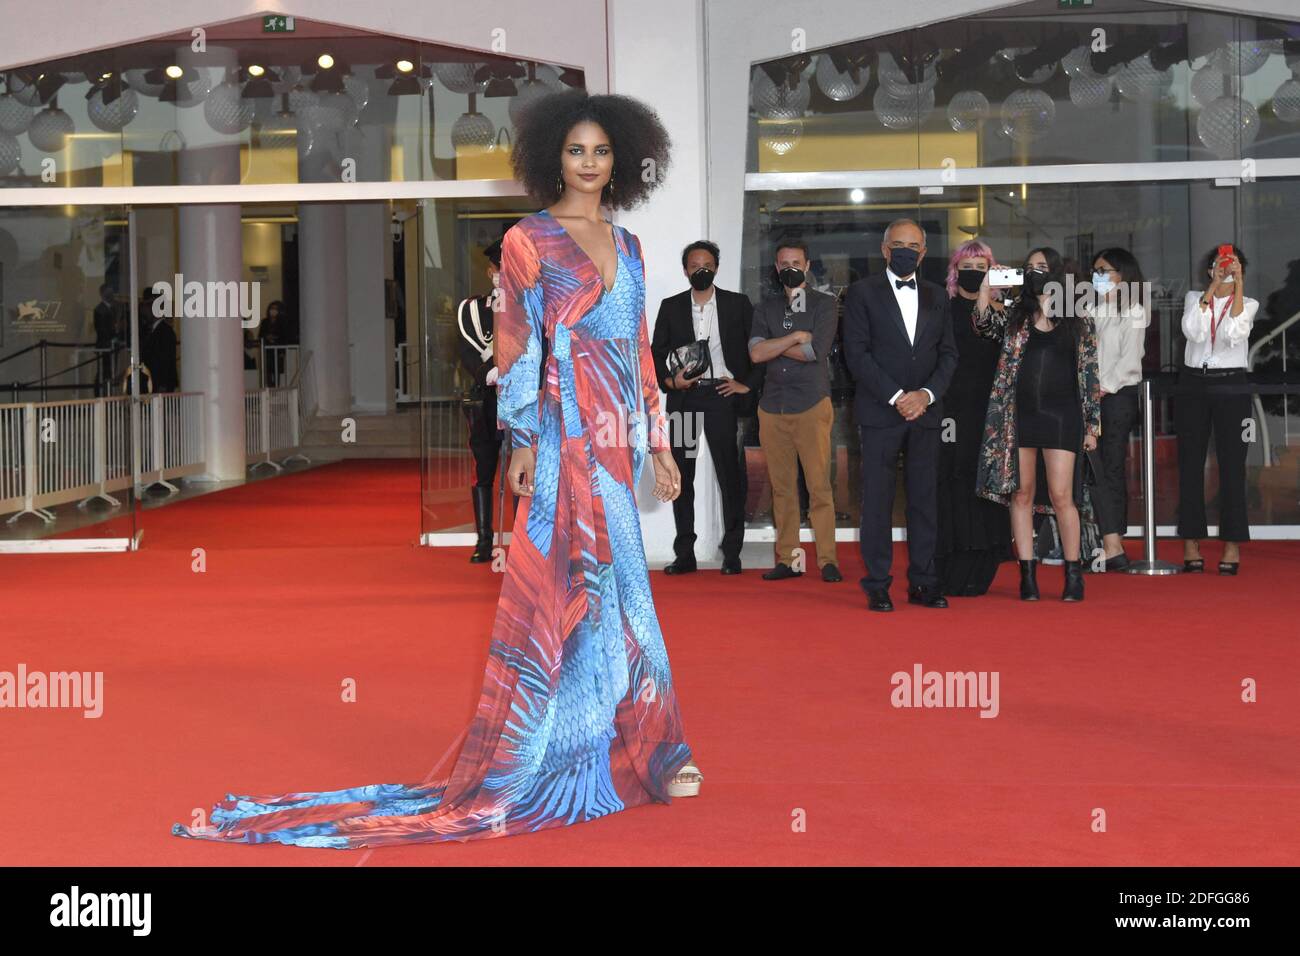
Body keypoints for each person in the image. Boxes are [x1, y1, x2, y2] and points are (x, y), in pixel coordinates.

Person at [172, 90, 700, 849]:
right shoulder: (528, 240)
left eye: (601, 151)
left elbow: (639, 350)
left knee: (629, 595)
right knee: (565, 593)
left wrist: (657, 442)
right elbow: (517, 346)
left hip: (617, 441)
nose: (588, 163)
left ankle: (654, 745)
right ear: (554, 156)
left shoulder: (635, 247)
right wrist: (520, 440)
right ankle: (570, 751)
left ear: (621, 159)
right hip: (560, 438)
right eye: (576, 150)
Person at [842, 219, 958, 612]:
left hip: (926, 413)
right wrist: (897, 397)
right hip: (880, 412)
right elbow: (856, 354)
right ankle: (877, 583)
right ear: (884, 249)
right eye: (897, 244)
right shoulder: (861, 293)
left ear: (923, 253)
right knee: (876, 500)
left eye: (913, 245)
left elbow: (948, 354)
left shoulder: (938, 295)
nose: (905, 251)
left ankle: (924, 582)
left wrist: (924, 395)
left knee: (925, 500)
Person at [973, 247, 1101, 602]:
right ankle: (1027, 575)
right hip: (1018, 416)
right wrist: (986, 287)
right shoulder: (1016, 314)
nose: (1035, 273)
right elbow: (983, 325)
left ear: (1058, 272)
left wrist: (1092, 424)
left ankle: (1074, 575)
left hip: (1063, 416)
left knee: (1063, 496)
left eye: (1042, 267)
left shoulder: (1077, 317)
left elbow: (1090, 372)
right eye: (1029, 268)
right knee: (1021, 493)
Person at [651, 239, 760, 575]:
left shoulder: (737, 304)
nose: (702, 270)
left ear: (716, 267)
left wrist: (747, 384)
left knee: (731, 475)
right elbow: (655, 354)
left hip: (723, 398)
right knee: (681, 473)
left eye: (708, 264)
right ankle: (685, 552)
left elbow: (757, 349)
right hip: (685, 399)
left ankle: (732, 552)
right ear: (685, 270)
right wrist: (671, 383)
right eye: (695, 265)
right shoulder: (670, 307)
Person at [748, 237, 842, 583]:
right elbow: (756, 354)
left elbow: (814, 352)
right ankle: (788, 559)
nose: (789, 268)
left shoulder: (824, 304)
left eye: (795, 263)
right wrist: (792, 338)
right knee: (781, 488)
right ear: (776, 268)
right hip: (772, 407)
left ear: (806, 265)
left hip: (811, 404)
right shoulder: (766, 307)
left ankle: (828, 559)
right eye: (783, 263)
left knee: (819, 486)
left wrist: (776, 344)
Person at [934, 240, 1011, 596]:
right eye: (967, 265)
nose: (973, 273)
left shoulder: (1003, 312)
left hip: (991, 413)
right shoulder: (942, 310)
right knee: (952, 483)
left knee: (986, 486)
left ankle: (984, 563)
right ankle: (949, 563)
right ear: (955, 269)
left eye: (982, 267)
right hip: (950, 412)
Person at [1177, 243, 1258, 575]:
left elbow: (1232, 335)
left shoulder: (1249, 303)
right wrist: (1213, 288)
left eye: (1231, 265)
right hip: (1193, 383)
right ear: (1209, 270)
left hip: (1232, 384)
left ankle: (1232, 543)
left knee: (1232, 465)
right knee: (1191, 463)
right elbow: (1192, 330)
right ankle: (1191, 540)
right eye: (1218, 265)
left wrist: (1237, 286)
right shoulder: (1195, 298)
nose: (1223, 269)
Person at [1086, 247, 1147, 571]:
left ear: (1123, 274)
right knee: (1095, 471)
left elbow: (1129, 362)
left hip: (1117, 398)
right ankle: (1108, 543)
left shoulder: (1133, 310)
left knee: (1108, 470)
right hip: (1093, 399)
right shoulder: (1092, 310)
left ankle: (1113, 544)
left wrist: (1097, 391)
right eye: (1095, 270)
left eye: (1105, 270)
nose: (1098, 276)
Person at [457, 238, 506, 563]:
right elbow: (466, 351)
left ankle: (529, 544)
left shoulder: (534, 306)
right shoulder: (473, 310)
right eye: (502, 268)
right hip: (487, 399)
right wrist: (490, 373)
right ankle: (484, 539)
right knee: (484, 468)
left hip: (524, 401)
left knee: (525, 471)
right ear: (492, 271)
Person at [139, 293, 179, 393]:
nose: (145, 311)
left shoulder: (166, 332)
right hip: (151, 383)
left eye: (148, 306)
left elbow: (166, 360)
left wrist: (163, 384)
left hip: (160, 385)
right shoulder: (149, 330)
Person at [92, 283, 121, 396]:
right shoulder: (99, 309)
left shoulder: (112, 308)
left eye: (112, 292)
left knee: (110, 371)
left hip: (112, 346)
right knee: (104, 372)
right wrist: (115, 329)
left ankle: (108, 393)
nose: (111, 295)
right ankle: (101, 394)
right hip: (105, 346)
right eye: (108, 292)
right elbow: (102, 329)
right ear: (102, 294)